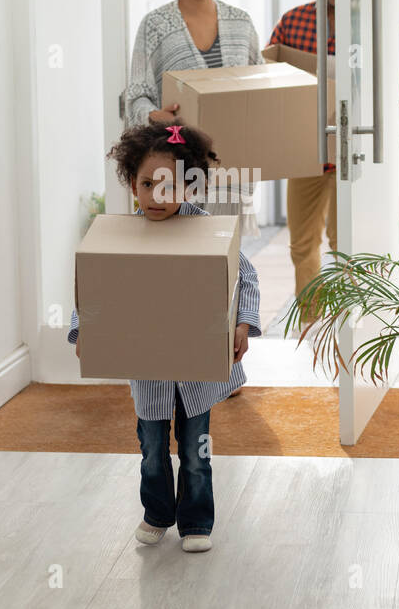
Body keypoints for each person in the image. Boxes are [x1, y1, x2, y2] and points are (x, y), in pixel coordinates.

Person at [68, 120, 261, 553]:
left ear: (189, 186)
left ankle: (196, 521)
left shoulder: (207, 230)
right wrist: (86, 331)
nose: (157, 196)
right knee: (152, 450)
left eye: (169, 186)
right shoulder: (122, 238)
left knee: (196, 452)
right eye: (146, 184)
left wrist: (243, 323)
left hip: (197, 374)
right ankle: (156, 513)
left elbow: (245, 276)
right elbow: (95, 286)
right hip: (148, 371)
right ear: (131, 184)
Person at [268, 0, 399, 324]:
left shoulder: (370, 26)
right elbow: (268, 78)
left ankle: (349, 324)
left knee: (347, 245)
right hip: (305, 151)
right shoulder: (294, 21)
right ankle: (311, 325)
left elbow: (392, 91)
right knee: (302, 244)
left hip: (352, 154)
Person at [125, 0, 263, 236]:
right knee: (178, 241)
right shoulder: (155, 24)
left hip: (232, 158)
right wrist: (154, 115)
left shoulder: (241, 22)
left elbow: (259, 85)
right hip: (177, 159)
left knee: (225, 242)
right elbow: (136, 92)